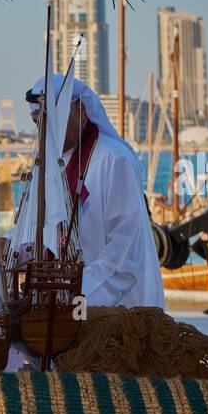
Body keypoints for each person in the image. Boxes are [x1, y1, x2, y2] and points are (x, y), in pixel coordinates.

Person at [22, 73, 164, 310]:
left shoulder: (114, 159)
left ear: (81, 111)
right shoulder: (48, 165)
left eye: (52, 121)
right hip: (68, 305)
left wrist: (76, 295)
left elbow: (124, 252)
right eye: (39, 123)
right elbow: (46, 234)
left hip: (122, 308)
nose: (45, 131)